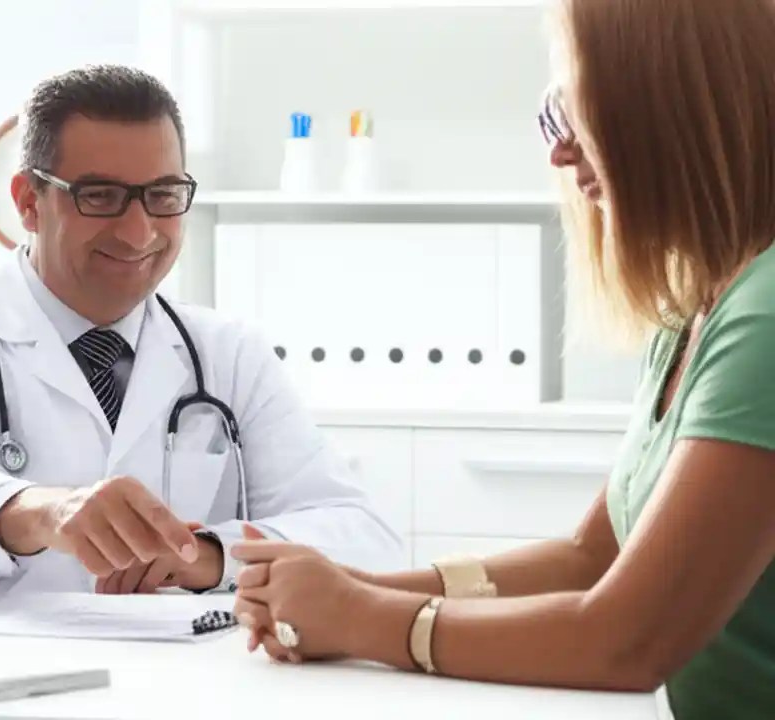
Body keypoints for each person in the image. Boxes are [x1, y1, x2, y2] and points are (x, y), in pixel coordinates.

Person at [231, 1, 775, 717]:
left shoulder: (763, 318)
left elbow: (628, 641)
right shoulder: (698, 307)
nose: (559, 152)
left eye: (580, 116)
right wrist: (362, 587)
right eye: (554, 118)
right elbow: (593, 556)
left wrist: (366, 617)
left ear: (671, 112)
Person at [0, 65, 402, 601]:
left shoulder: (228, 352)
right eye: (100, 197)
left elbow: (361, 535)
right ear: (29, 202)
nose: (138, 231)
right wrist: (44, 512)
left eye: (163, 195)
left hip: (192, 677)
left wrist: (207, 556)